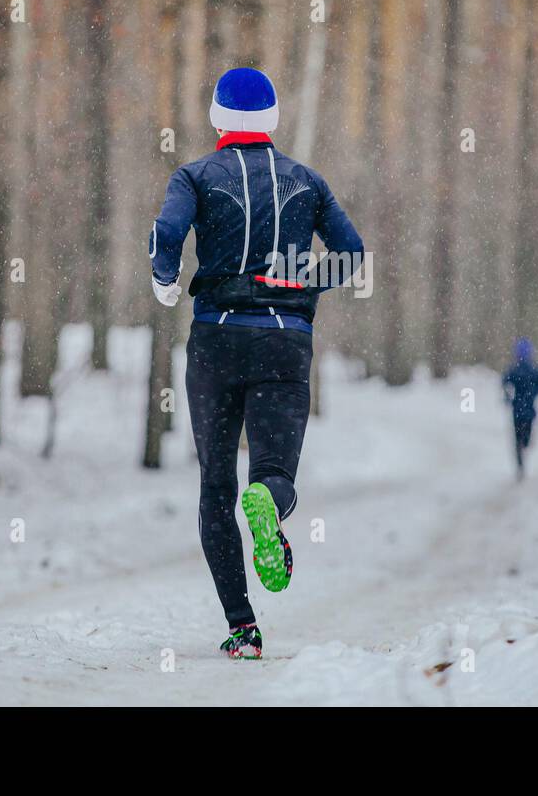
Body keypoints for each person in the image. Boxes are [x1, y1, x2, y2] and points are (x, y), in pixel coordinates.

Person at [148, 67, 364, 660]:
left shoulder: (193, 175)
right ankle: (268, 498)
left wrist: (166, 280)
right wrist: (303, 287)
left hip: (214, 341)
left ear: (217, 118)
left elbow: (166, 233)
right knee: (272, 471)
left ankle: (242, 627)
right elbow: (352, 253)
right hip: (282, 344)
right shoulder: (307, 181)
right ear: (272, 121)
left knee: (215, 483)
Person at [502, 337, 538, 480]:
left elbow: (504, 383)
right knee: (527, 437)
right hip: (530, 410)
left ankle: (520, 462)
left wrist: (508, 398)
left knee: (518, 439)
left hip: (517, 410)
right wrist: (535, 392)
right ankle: (523, 449)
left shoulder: (514, 370)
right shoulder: (535, 370)